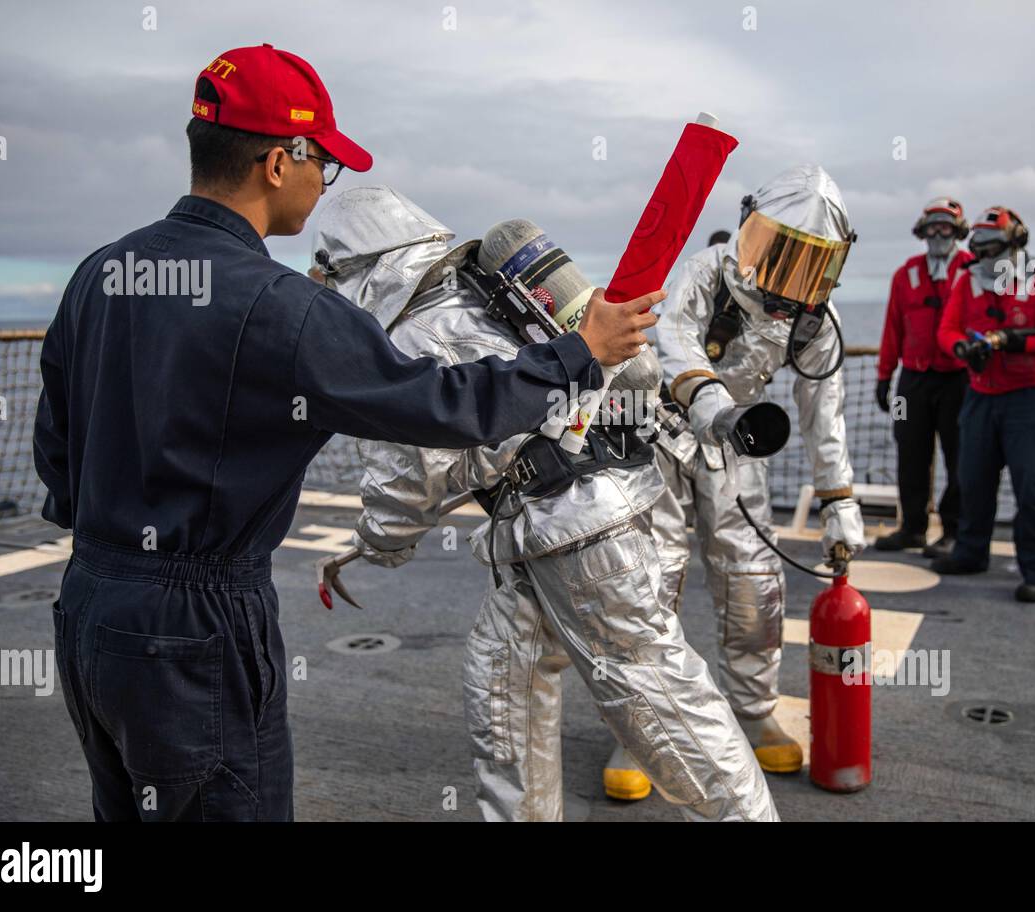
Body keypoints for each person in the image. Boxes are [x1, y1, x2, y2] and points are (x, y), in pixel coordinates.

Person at [32, 44, 656, 822]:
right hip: (197, 628)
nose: (324, 184)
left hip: (89, 607)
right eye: (322, 164)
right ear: (277, 160)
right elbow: (436, 404)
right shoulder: (279, 306)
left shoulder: (100, 272)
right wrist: (577, 354)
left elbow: (56, 447)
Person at [313, 190, 778, 821]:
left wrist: (373, 545)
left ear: (352, 268)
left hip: (574, 539)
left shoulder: (404, 337)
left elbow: (408, 483)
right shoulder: (478, 293)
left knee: (667, 714)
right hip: (569, 521)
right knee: (505, 682)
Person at [608, 163, 866, 796]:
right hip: (662, 441)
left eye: (812, 264)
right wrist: (709, 402)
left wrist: (838, 503)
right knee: (649, 582)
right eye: (783, 254)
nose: (793, 279)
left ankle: (753, 714)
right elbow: (672, 337)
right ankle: (637, 732)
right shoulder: (708, 272)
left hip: (737, 447)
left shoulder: (811, 319)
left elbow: (821, 415)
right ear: (751, 232)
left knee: (753, 585)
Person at [932, 206, 1035, 602]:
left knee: (1034, 490)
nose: (987, 258)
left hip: (1031, 399)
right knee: (971, 480)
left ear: (1014, 244)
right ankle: (971, 552)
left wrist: (1025, 342)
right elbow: (948, 329)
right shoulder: (967, 281)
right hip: (981, 397)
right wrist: (961, 348)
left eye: (994, 248)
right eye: (981, 249)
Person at [874, 198, 975, 558]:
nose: (937, 232)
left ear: (958, 230)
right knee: (909, 451)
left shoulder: (973, 269)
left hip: (959, 380)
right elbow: (892, 328)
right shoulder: (906, 274)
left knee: (959, 455)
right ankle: (913, 527)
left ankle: (952, 530)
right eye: (932, 225)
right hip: (913, 380)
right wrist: (884, 376)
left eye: (945, 225)